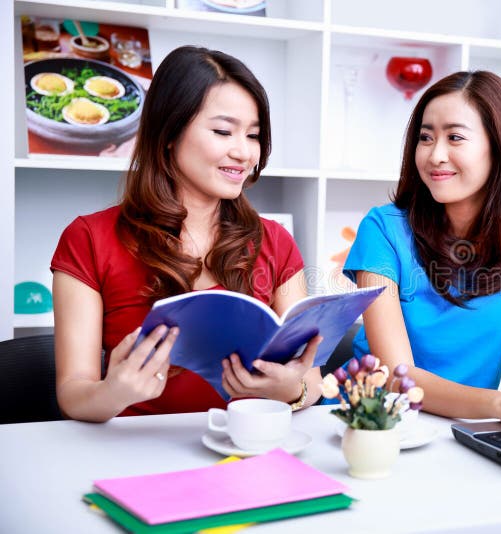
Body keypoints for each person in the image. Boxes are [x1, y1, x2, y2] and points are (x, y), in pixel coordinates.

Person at [51, 46, 322, 422]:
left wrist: (293, 389)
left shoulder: (274, 241)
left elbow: (311, 379)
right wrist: (113, 392)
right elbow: (73, 394)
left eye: (254, 135)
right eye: (223, 131)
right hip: (134, 456)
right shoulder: (89, 238)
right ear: (169, 133)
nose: (244, 153)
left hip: (242, 450)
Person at [343, 71, 501, 430]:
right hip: (374, 423)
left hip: (468, 427)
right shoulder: (382, 229)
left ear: (499, 146)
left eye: (455, 138)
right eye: (426, 138)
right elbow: (399, 377)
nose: (435, 155)